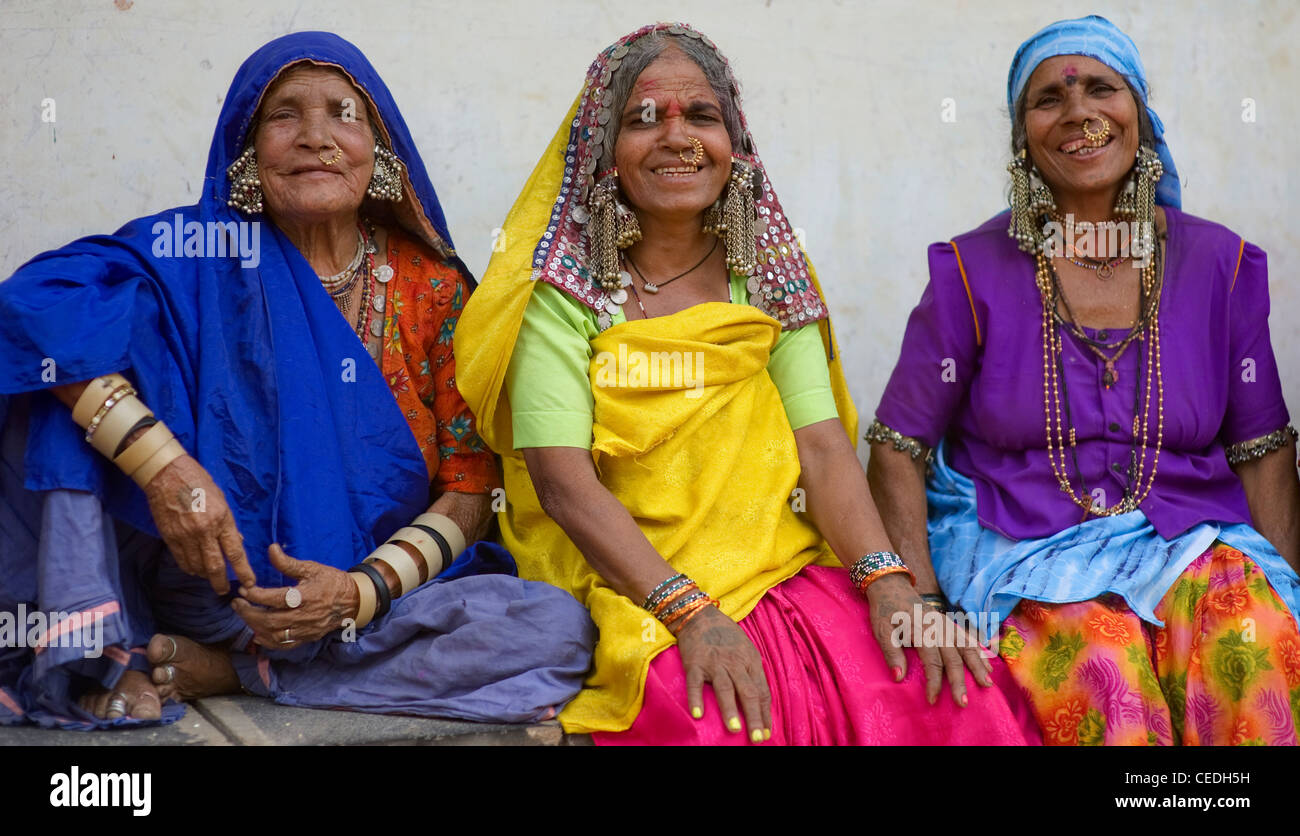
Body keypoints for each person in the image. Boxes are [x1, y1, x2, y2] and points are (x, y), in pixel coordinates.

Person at [456, 22, 1040, 744]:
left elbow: (824, 453)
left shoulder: (763, 277)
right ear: (603, 154)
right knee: (720, 721)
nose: (677, 137)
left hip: (788, 569)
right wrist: (694, 616)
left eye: (701, 115)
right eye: (644, 118)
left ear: (734, 144)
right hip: (639, 586)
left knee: (949, 692)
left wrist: (891, 584)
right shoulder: (564, 296)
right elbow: (564, 483)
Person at [0, 32, 594, 730]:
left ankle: (241, 670)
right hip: (205, 586)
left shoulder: (431, 289)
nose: (316, 136)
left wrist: (358, 593)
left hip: (367, 603)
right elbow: (36, 304)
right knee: (56, 397)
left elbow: (471, 487)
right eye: (285, 115)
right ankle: (95, 653)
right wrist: (166, 469)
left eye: (344, 114)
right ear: (248, 153)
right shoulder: (197, 255)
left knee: (555, 628)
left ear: (380, 153)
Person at [867, 15, 1300, 745]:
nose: (1079, 112)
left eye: (1102, 88)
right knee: (1101, 672)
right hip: (1025, 549)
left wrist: (1286, 588)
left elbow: (1263, 450)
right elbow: (894, 445)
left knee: (1250, 645)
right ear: (1021, 136)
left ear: (1139, 115)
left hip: (1190, 538)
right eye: (1048, 99)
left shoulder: (1220, 267)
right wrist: (926, 599)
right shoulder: (969, 272)